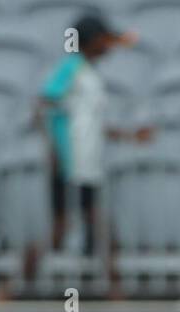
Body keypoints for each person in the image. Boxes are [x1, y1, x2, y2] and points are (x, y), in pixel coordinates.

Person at [35, 10, 152, 295]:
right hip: (69, 163)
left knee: (96, 226)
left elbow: (90, 123)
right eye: (103, 39)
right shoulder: (71, 67)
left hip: (88, 165)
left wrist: (128, 135)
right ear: (90, 41)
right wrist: (53, 149)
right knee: (65, 230)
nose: (108, 46)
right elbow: (43, 103)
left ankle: (116, 291)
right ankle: (10, 288)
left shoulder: (90, 74)